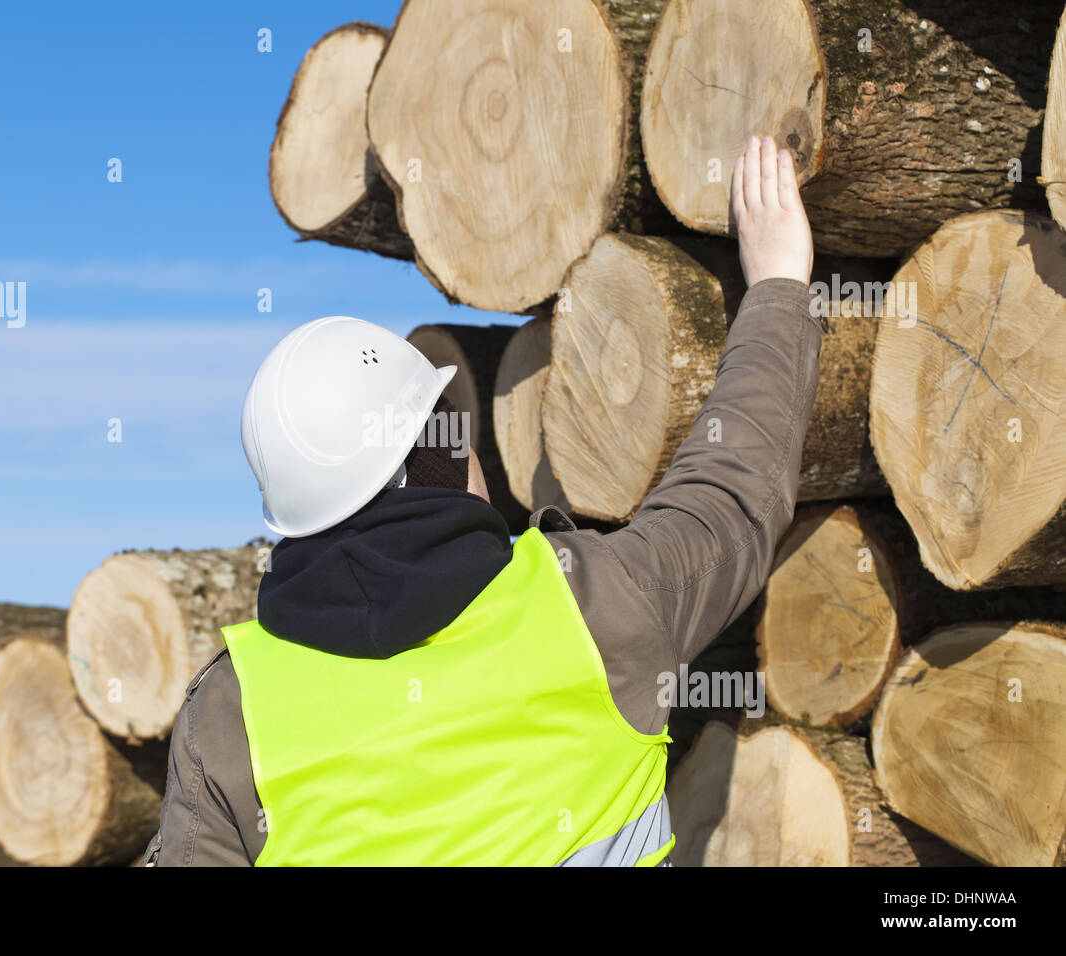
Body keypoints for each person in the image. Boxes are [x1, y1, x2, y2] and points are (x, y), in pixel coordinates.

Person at [142, 135, 817, 866]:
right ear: (436, 456)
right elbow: (736, 488)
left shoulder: (234, 713)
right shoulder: (592, 610)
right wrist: (780, 286)